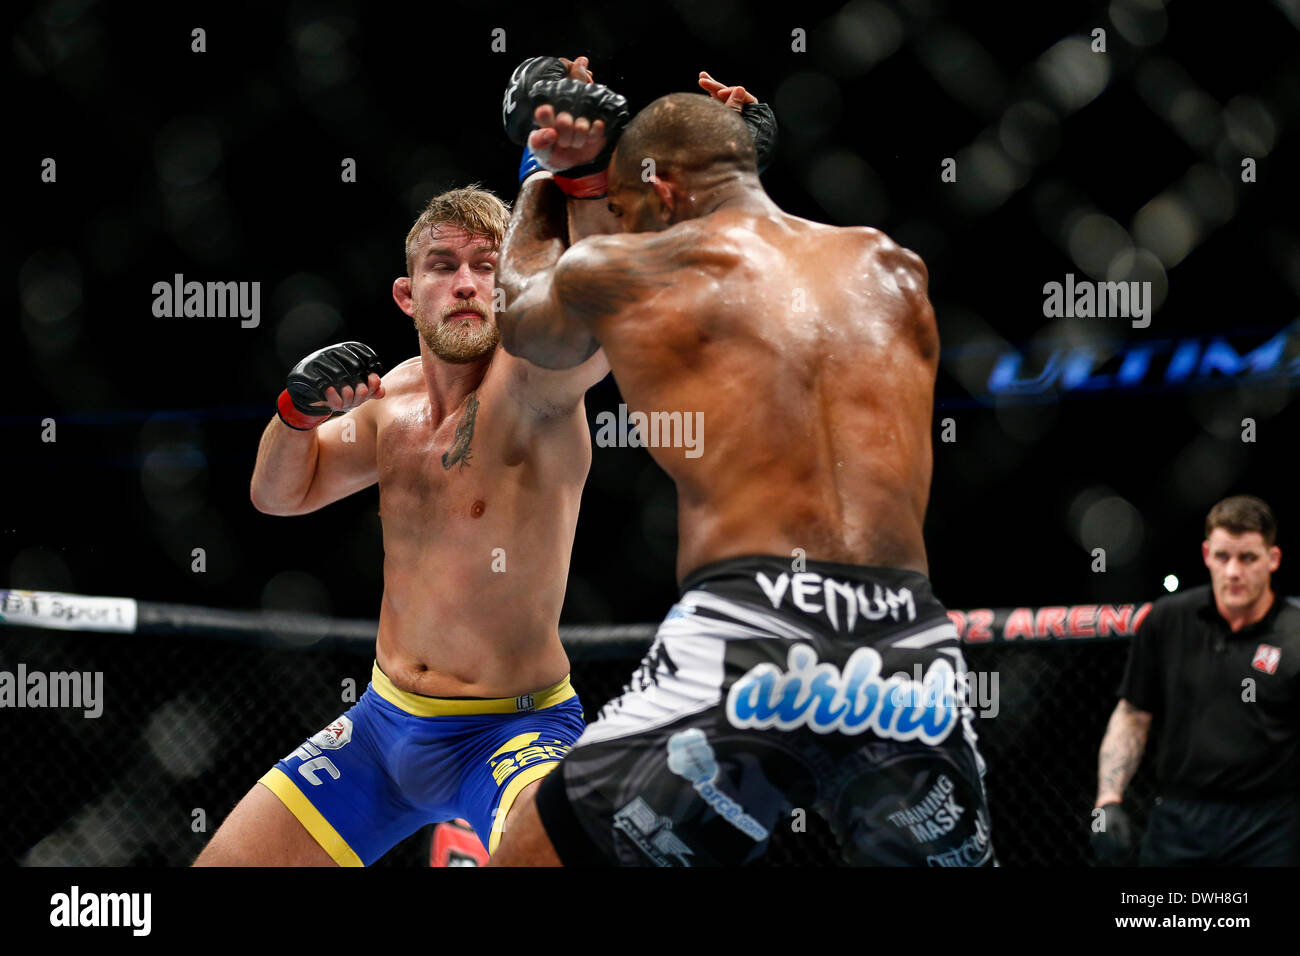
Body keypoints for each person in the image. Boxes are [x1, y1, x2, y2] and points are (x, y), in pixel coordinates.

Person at [488, 83, 996, 866]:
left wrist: (547, 176)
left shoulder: (634, 265)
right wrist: (730, 150)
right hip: (909, 651)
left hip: (755, 637)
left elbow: (525, 320)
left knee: (528, 853)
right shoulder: (894, 270)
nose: (622, 225)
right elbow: (788, 303)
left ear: (661, 188)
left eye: (626, 206)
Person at [194, 151, 611, 863]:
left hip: (511, 734)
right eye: (444, 266)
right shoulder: (391, 404)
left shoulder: (536, 388)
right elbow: (277, 494)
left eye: (486, 266)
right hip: (383, 729)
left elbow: (599, 307)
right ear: (406, 296)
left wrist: (568, 180)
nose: (467, 283)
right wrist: (294, 417)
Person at [1093, 495, 1300, 866]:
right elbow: (1132, 713)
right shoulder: (1169, 620)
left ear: (1273, 559)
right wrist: (1108, 800)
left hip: (1272, 823)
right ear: (1206, 554)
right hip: (1179, 818)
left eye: (1248, 558)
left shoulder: (1296, 633)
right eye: (1223, 557)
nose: (1233, 571)